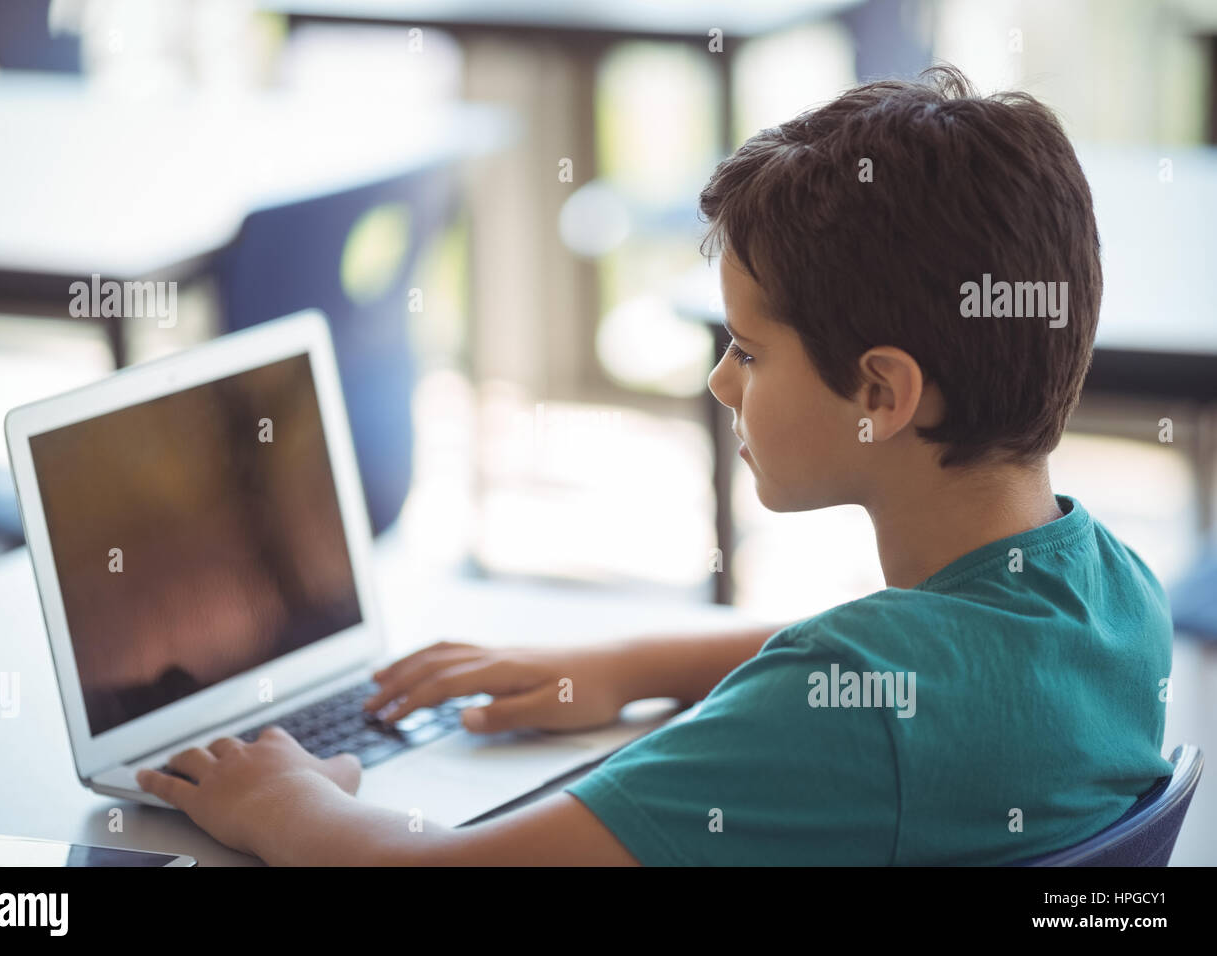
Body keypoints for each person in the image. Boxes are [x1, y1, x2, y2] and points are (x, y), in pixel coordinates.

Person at [137, 66, 1173, 865]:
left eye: (750, 351)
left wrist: (284, 801)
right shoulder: (1112, 592)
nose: (723, 383)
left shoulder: (838, 721)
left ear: (880, 395)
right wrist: (627, 665)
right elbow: (889, 671)